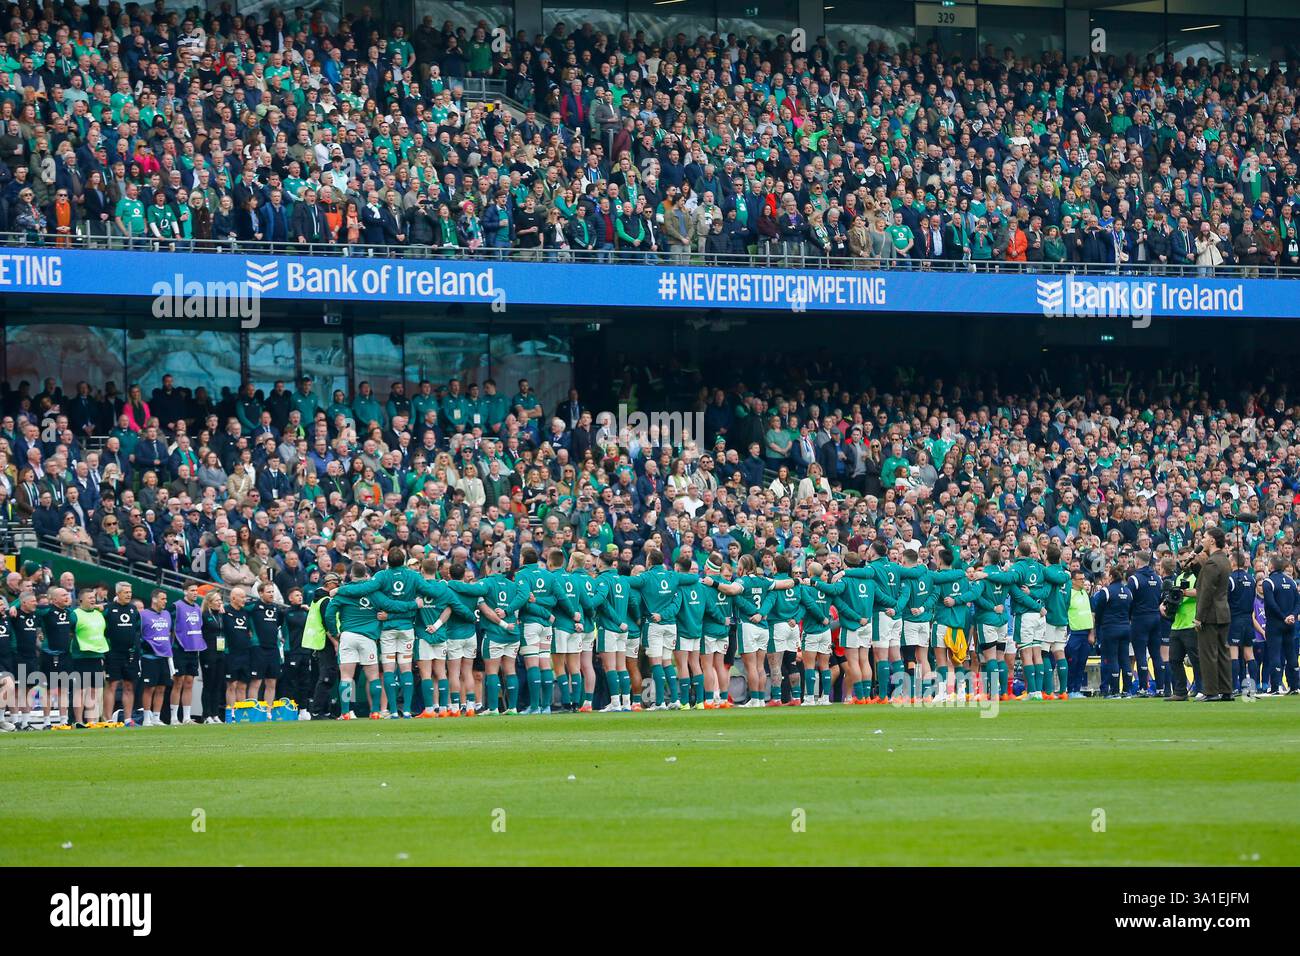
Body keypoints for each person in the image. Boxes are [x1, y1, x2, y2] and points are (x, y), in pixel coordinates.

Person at [1193, 527, 1233, 701]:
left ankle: (1211, 691)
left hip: (1210, 615)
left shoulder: (1212, 562)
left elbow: (1206, 592)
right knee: (1223, 653)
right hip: (1223, 612)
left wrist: (1199, 617)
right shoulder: (1224, 560)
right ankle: (1226, 690)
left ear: (1212, 541)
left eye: (1204, 537)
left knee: (1208, 653)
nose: (1202, 540)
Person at [103, 581, 141, 725]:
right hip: (113, 653)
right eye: (126, 592)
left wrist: (135, 648)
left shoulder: (133, 609)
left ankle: (127, 719)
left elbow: (137, 630)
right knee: (112, 685)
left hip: (130, 654)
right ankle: (108, 719)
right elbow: (102, 630)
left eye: (130, 592)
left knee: (129, 686)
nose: (129, 595)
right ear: (118, 593)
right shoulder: (108, 609)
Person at [170, 583, 205, 725]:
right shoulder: (176, 606)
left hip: (193, 649)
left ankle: (186, 717)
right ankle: (173, 717)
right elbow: (168, 625)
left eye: (196, 590)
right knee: (178, 682)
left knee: (189, 683)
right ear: (185, 592)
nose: (195, 593)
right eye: (192, 590)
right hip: (179, 649)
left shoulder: (197, 608)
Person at [138, 589, 174, 726]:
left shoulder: (167, 614)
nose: (165, 601)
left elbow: (170, 633)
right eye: (162, 599)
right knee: (149, 688)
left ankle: (156, 717)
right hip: (149, 657)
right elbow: (138, 633)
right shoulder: (143, 615)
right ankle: (146, 718)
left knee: (161, 688)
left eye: (166, 599)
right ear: (154, 599)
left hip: (164, 656)